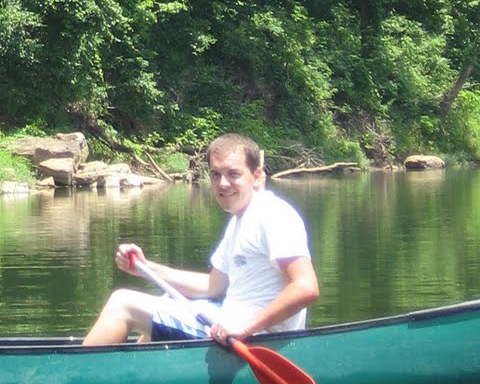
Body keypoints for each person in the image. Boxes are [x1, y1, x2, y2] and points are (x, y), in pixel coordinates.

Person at [83, 132, 318, 346]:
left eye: (233, 174)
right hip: (229, 323)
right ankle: (135, 374)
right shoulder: (240, 220)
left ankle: (75, 375)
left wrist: (245, 328)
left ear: (256, 176)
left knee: (122, 303)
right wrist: (145, 268)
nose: (223, 183)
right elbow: (212, 287)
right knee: (168, 302)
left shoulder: (273, 214)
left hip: (257, 339)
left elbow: (306, 287)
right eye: (216, 175)